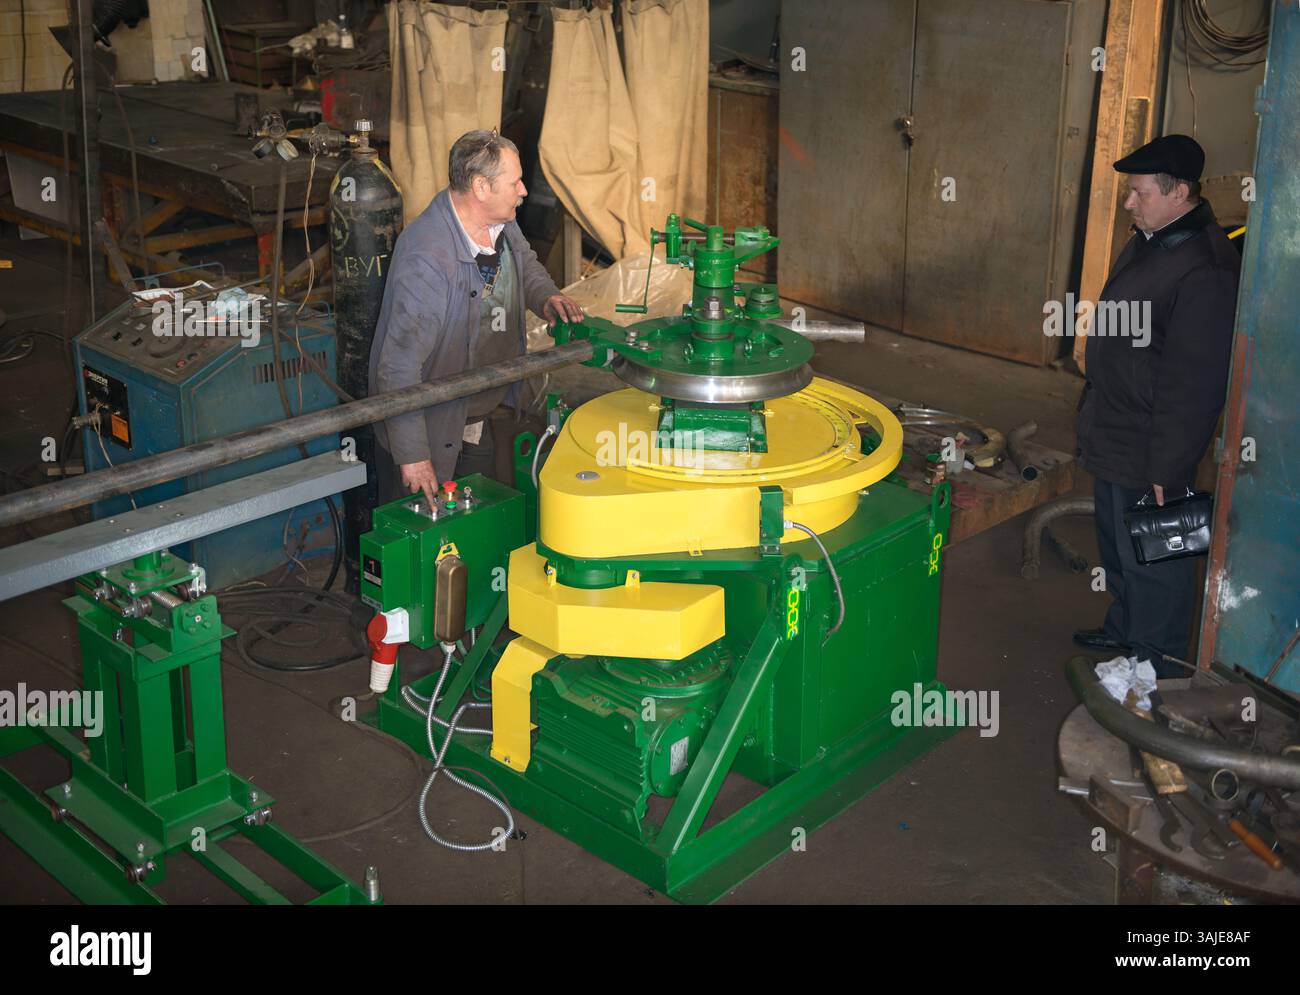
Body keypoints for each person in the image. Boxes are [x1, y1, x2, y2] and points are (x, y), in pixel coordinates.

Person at [1073, 134, 1239, 678]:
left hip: (1154, 444)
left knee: (1158, 558)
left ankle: (1156, 666)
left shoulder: (1206, 269)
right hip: (1117, 427)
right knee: (1118, 545)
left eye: (1138, 193)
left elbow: (1195, 385)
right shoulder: (1152, 236)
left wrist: (1170, 467)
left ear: (1179, 192)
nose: (1128, 202)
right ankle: (1126, 630)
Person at [369, 130, 584, 508]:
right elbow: (397, 367)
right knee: (432, 545)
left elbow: (525, 263)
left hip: (483, 408)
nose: (523, 191)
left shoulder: (500, 221)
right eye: (515, 182)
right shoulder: (429, 259)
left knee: (485, 523)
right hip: (434, 431)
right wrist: (414, 455)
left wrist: (546, 297)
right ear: (481, 186)